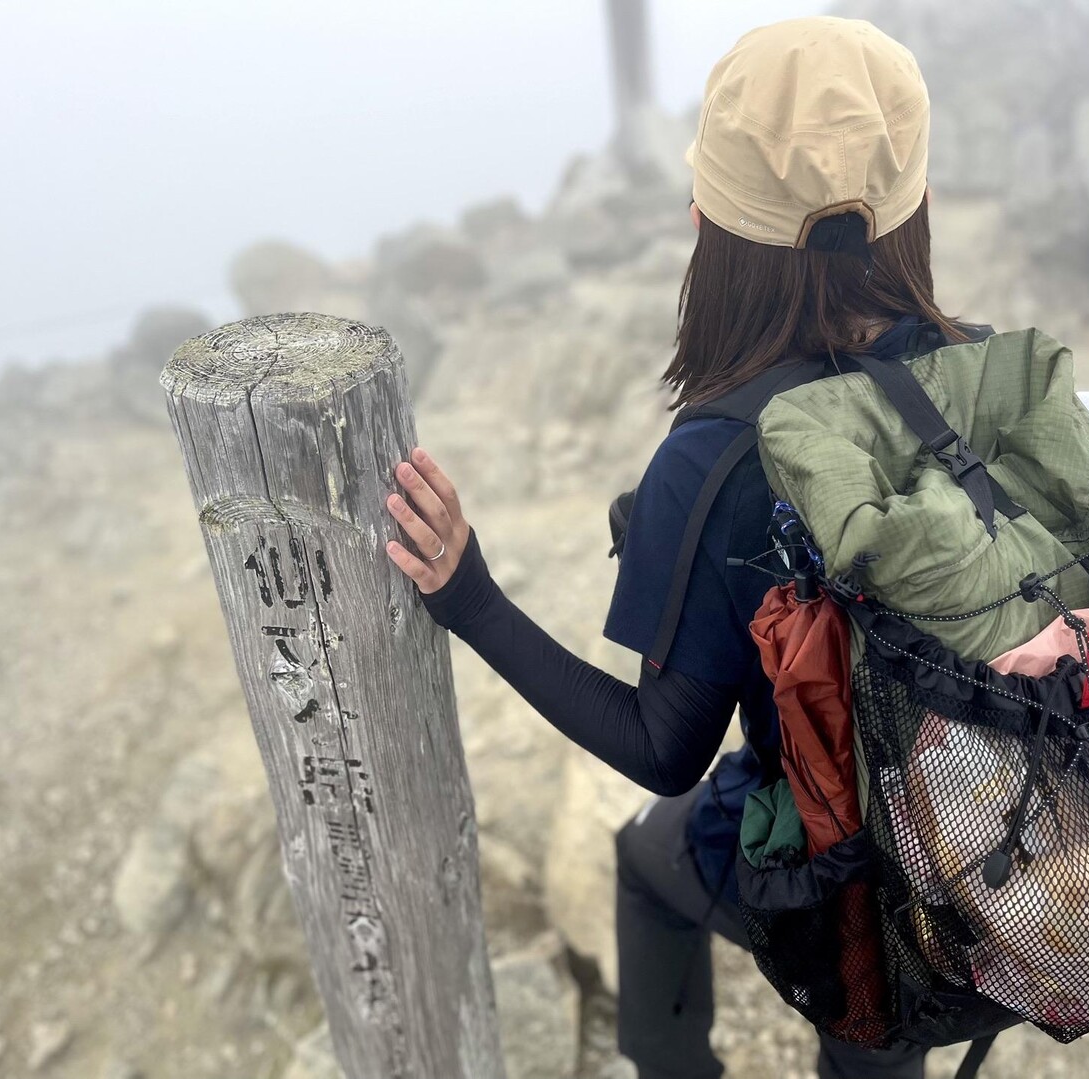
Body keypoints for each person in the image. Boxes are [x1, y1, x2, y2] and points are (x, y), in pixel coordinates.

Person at [383, 17, 965, 1079]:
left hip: (861, 887)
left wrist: (468, 597)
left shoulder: (719, 458)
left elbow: (663, 748)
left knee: (651, 856)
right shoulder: (977, 376)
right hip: (1011, 846)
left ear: (703, 216)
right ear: (913, 206)